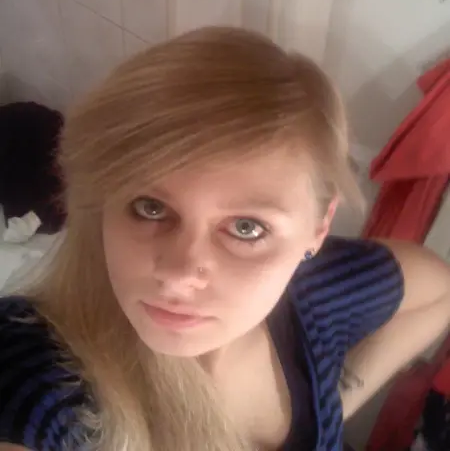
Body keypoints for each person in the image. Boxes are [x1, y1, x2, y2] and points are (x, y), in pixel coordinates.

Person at [0, 26, 449, 451]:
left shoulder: (315, 296)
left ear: (318, 228)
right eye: (150, 208)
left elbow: (438, 291)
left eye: (246, 228)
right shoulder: (38, 379)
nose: (178, 275)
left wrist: (331, 406)